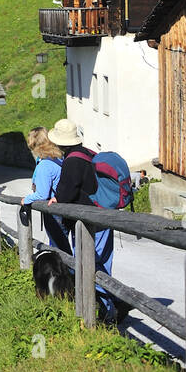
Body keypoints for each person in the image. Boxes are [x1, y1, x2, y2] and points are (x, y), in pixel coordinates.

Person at [47, 118, 115, 319]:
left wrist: (57, 198)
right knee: (102, 262)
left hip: (88, 222)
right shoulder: (85, 154)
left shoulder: (72, 161)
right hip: (103, 215)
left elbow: (66, 192)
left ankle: (100, 310)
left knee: (89, 263)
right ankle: (109, 306)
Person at [20, 127, 69, 253]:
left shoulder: (44, 165)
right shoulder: (57, 158)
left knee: (59, 250)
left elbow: (42, 194)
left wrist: (26, 199)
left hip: (54, 212)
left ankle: (67, 272)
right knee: (62, 247)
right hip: (63, 209)